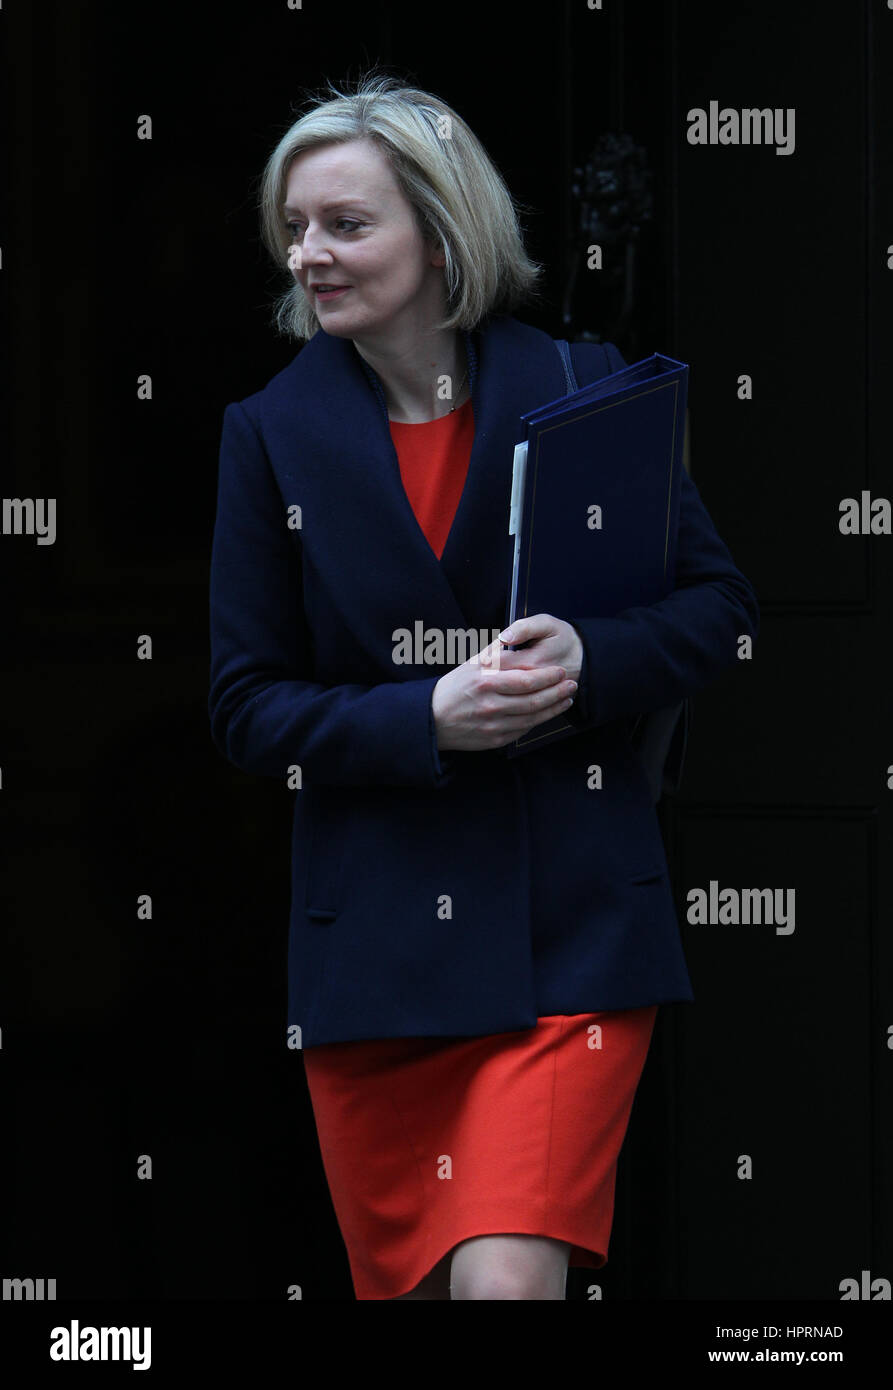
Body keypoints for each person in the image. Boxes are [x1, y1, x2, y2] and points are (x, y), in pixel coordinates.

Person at [208, 71, 760, 1300]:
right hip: (380, 964)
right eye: (293, 227)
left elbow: (718, 613)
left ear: (442, 230)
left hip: (569, 938)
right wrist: (425, 718)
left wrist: (593, 659)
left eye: (346, 224)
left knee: (504, 1290)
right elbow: (244, 706)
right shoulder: (269, 433)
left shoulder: (580, 381)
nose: (310, 254)